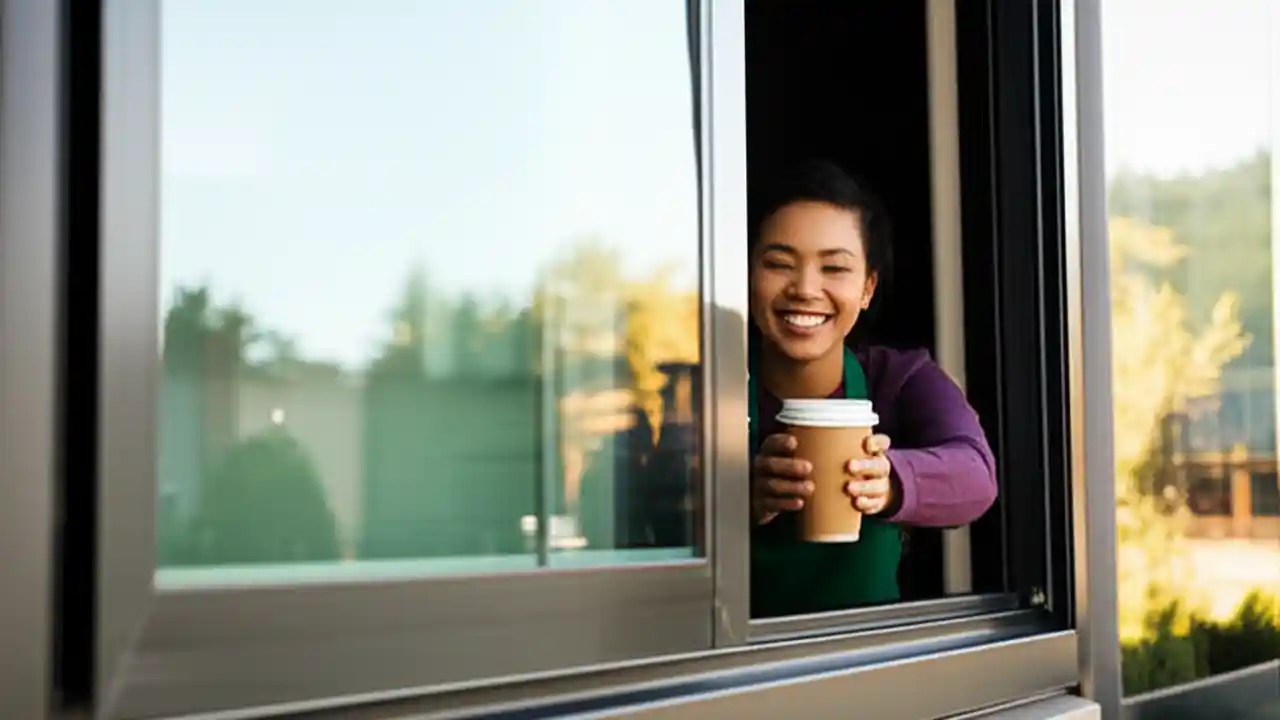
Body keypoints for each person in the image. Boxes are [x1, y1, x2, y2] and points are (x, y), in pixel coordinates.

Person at [749, 160, 997, 617]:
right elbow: (642, 514)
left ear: (867, 288)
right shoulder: (708, 389)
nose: (805, 289)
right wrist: (737, 497)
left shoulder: (898, 380)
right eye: (779, 264)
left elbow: (977, 475)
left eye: (834, 269)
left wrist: (887, 482)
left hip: (861, 665)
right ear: (746, 275)